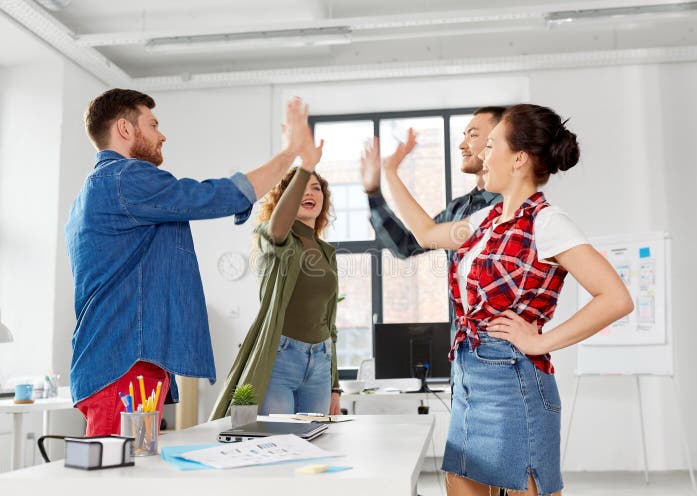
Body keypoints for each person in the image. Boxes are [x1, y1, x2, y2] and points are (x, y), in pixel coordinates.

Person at [361, 104, 634, 496]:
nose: (481, 155)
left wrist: (540, 341)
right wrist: (389, 174)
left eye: (490, 146)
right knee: (459, 485)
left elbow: (615, 298)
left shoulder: (547, 222)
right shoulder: (484, 220)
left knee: (526, 488)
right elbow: (422, 234)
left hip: (514, 384)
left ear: (519, 158)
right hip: (470, 378)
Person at [65, 89, 317, 436]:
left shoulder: (95, 190)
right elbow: (213, 196)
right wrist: (290, 153)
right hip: (123, 364)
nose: (162, 134)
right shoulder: (125, 179)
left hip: (124, 360)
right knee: (116, 479)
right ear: (124, 129)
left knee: (132, 473)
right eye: (152, 124)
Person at [210, 157, 344, 419]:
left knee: (312, 443)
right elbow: (277, 230)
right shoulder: (273, 239)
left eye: (316, 188)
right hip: (281, 358)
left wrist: (335, 385)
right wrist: (304, 167)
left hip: (320, 362)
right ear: (286, 199)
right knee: (281, 443)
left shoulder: (327, 253)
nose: (309, 192)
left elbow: (331, 324)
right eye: (300, 186)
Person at [361, 107, 504, 342]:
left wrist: (390, 173)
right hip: (461, 353)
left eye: (473, 135)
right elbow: (407, 245)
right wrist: (373, 194)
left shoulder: (507, 208)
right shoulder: (458, 209)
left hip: (498, 356)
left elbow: (426, 234)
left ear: (499, 142)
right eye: (463, 136)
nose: (462, 145)